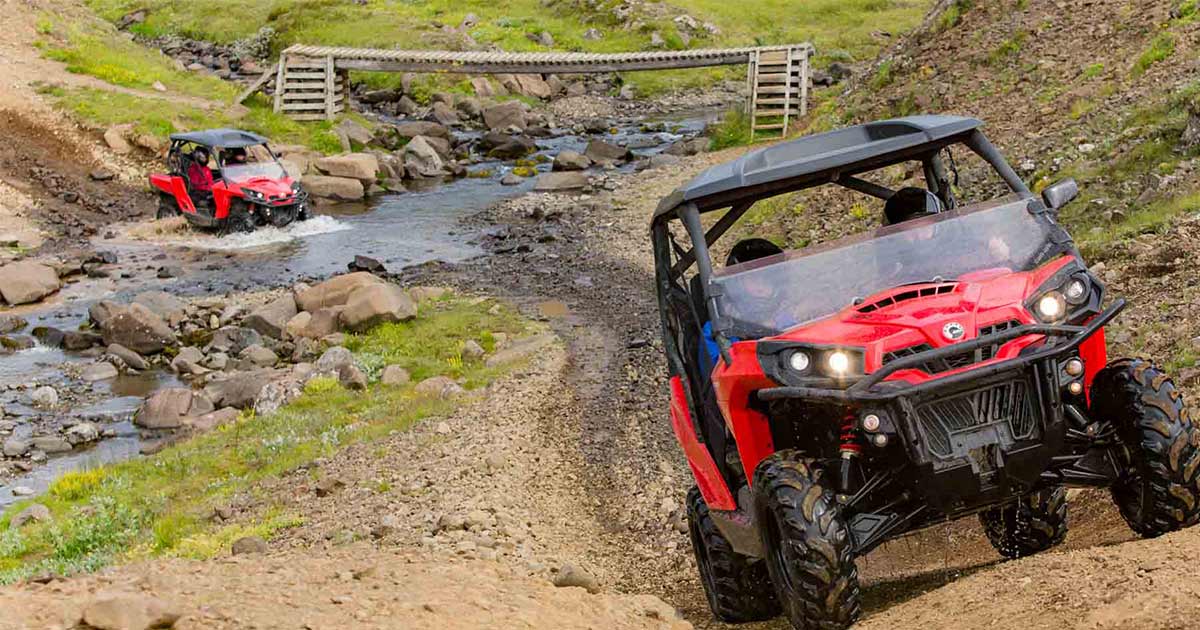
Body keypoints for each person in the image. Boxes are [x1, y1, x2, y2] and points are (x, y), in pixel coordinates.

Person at [700, 238, 784, 372]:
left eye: (769, 281)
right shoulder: (717, 331)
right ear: (735, 282)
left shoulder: (789, 321)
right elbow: (722, 374)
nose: (761, 289)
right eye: (754, 279)